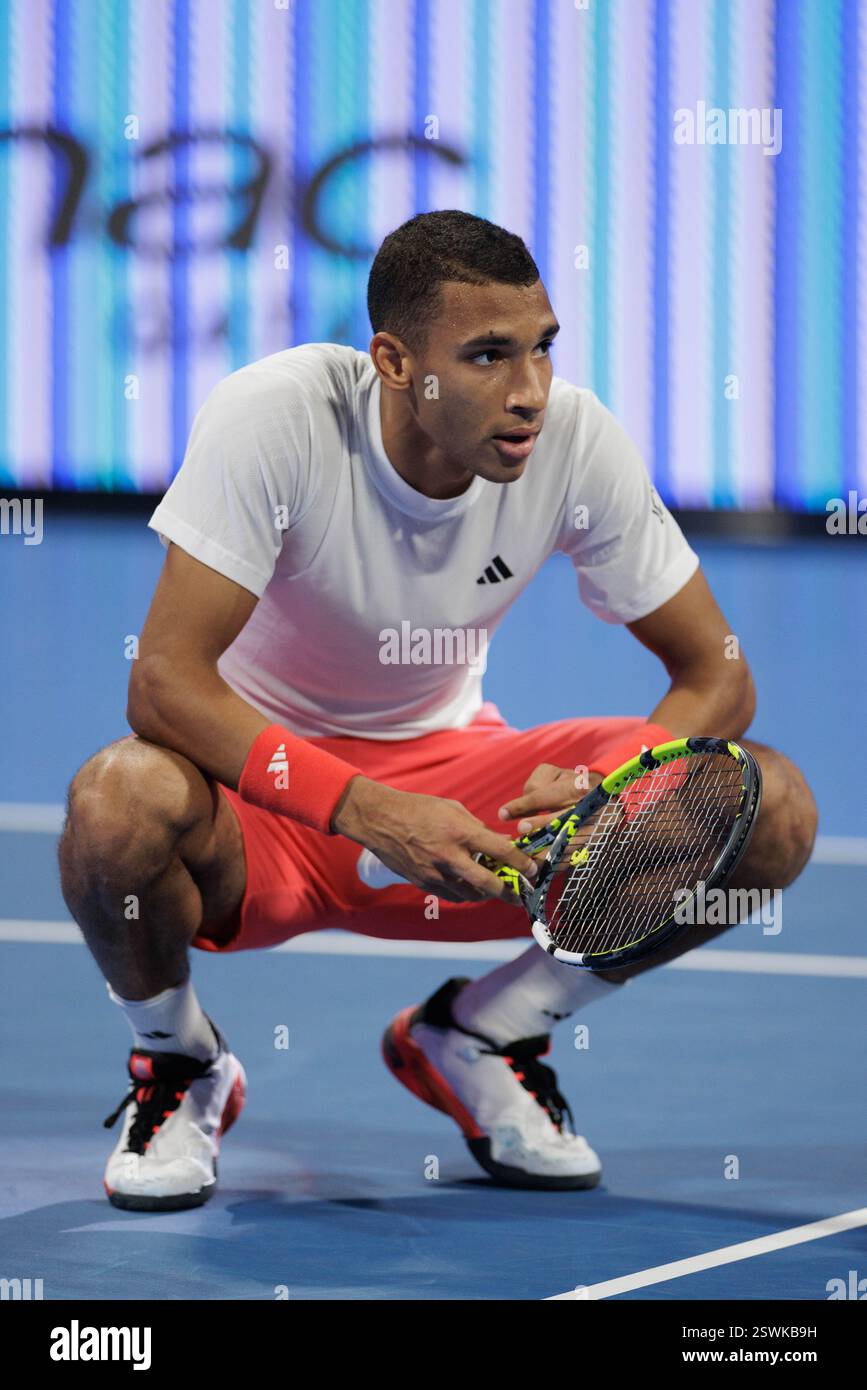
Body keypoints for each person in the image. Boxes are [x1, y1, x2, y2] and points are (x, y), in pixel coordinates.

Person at [59, 210, 818, 1210]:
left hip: (469, 794)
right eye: (489, 356)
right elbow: (163, 680)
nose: (530, 392)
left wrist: (605, 791)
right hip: (264, 802)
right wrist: (367, 807)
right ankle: (180, 1062)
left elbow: (717, 672)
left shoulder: (575, 438)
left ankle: (482, 1030)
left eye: (543, 347)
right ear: (393, 360)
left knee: (768, 805)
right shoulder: (275, 416)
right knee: (116, 801)